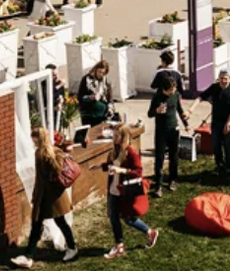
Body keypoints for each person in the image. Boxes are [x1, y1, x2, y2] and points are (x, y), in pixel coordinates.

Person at [11, 128, 78, 267]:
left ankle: (72, 248)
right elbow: (39, 179)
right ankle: (28, 257)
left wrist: (49, 157)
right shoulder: (39, 153)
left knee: (61, 223)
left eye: (34, 138)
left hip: (54, 197)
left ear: (38, 138)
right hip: (43, 197)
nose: (33, 141)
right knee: (36, 225)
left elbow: (57, 170)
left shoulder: (54, 152)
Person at [101, 125, 159, 258]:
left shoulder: (131, 152)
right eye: (113, 136)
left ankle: (150, 232)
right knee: (114, 217)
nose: (114, 138)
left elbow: (138, 172)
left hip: (123, 191)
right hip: (113, 189)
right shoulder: (115, 150)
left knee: (127, 218)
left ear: (123, 137)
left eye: (116, 136)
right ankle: (119, 246)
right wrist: (101, 166)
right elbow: (112, 164)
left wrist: (122, 171)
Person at [148, 76, 189, 194]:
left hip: (173, 129)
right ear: (164, 89)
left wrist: (185, 123)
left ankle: (173, 179)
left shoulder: (175, 95)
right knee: (159, 157)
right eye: (171, 90)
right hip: (161, 131)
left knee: (174, 156)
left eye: (174, 89)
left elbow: (180, 110)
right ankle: (158, 184)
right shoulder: (157, 97)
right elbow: (149, 114)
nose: (173, 92)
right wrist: (156, 111)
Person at [200, 70, 230, 178]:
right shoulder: (214, 87)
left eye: (225, 78)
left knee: (228, 145)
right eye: (221, 78)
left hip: (227, 122)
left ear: (229, 80)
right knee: (216, 145)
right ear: (218, 78)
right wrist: (191, 109)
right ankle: (219, 165)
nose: (223, 81)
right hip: (216, 122)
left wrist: (228, 123)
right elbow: (202, 96)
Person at [76, 61, 115, 126]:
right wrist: (90, 97)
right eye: (99, 71)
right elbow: (80, 97)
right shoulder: (86, 79)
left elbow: (110, 98)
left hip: (102, 114)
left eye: (103, 73)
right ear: (95, 69)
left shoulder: (106, 82)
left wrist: (110, 108)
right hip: (88, 114)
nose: (101, 74)